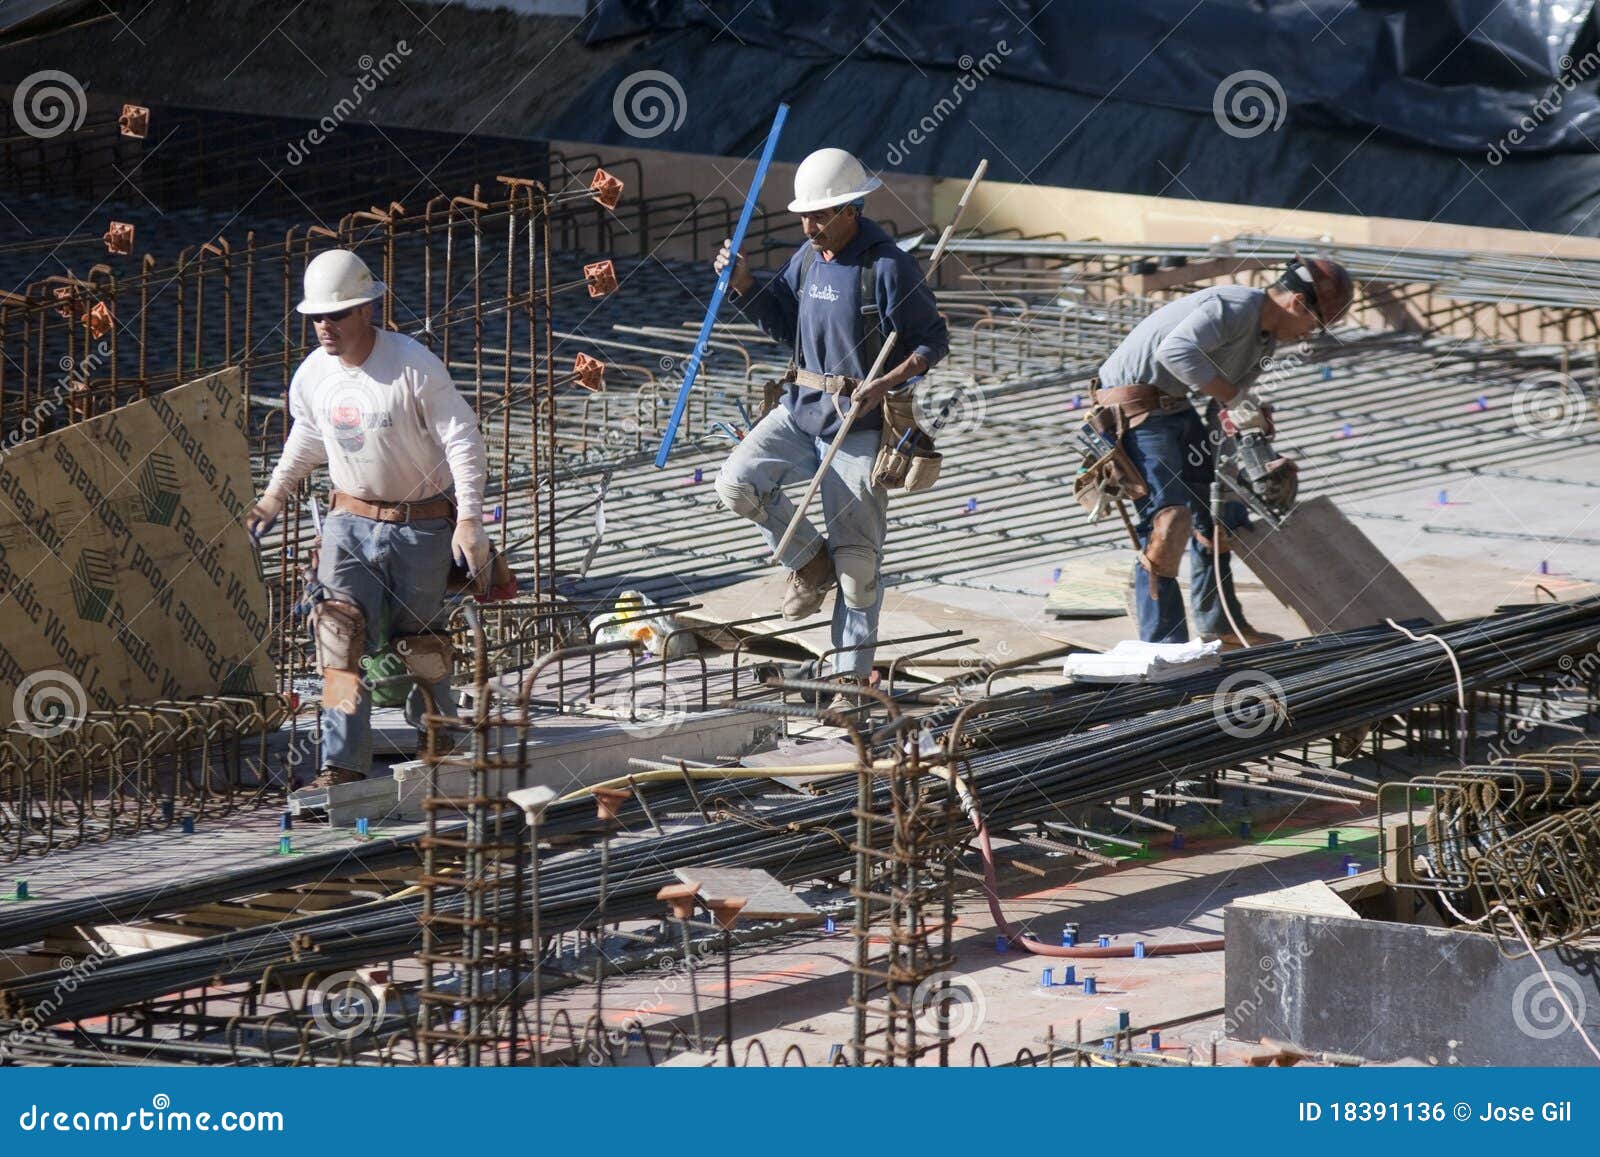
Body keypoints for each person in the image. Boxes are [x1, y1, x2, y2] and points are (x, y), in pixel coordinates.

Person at [712, 147, 948, 706]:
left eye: (820, 216)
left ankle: (850, 683)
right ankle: (807, 560)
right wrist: (745, 285)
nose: (808, 226)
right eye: (805, 216)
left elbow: (931, 341)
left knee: (858, 565)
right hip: (800, 411)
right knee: (736, 484)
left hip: (859, 426)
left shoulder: (887, 267)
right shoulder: (810, 257)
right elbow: (786, 324)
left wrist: (884, 383)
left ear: (852, 209)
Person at [246, 249, 490, 787]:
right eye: (316, 318)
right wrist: (273, 496)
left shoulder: (412, 365)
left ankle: (436, 729)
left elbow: (463, 440)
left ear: (366, 311)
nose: (324, 327)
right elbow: (306, 437)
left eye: (336, 315)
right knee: (337, 640)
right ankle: (341, 761)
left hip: (420, 524)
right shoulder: (314, 375)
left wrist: (469, 520)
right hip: (349, 522)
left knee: (421, 639)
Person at [1093, 255, 1354, 645]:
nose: (1308, 336)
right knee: (1169, 522)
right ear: (1298, 304)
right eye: (1314, 327)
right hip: (1134, 406)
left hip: (1173, 405)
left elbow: (1224, 408)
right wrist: (1237, 399)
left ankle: (1220, 624)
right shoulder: (1233, 307)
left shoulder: (1264, 342)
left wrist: (1252, 447)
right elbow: (1175, 353)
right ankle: (1164, 646)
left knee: (1223, 511)